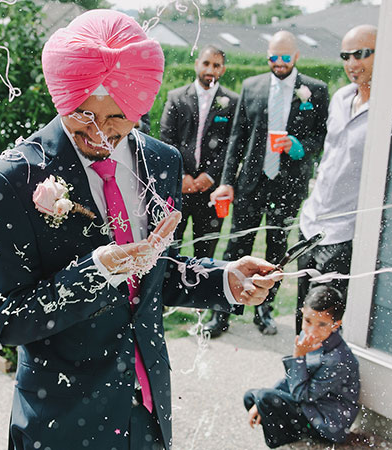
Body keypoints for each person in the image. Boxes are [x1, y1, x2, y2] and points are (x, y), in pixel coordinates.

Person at [0, 10, 280, 450]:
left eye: (117, 118)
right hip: (63, 419)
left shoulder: (161, 162)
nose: (100, 134)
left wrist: (223, 279)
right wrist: (96, 272)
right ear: (63, 98)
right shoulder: (10, 181)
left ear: (139, 106)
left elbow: (152, 273)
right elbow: (10, 320)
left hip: (148, 413)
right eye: (83, 115)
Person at [206, 31, 330, 337]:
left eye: (285, 57)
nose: (278, 63)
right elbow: (237, 138)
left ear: (296, 57)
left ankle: (264, 309)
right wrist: (226, 182)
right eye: (273, 57)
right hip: (251, 183)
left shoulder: (315, 90)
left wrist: (300, 146)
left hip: (288, 185)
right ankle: (222, 312)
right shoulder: (252, 86)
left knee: (276, 251)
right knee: (237, 245)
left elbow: (323, 136)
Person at [295, 25, 377, 335]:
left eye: (362, 54)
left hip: (343, 233)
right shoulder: (341, 97)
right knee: (302, 314)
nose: (353, 63)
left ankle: (322, 383)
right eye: (346, 56)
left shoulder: (386, 109)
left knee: (326, 324)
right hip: (310, 223)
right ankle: (297, 377)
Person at [243, 285, 361, 448]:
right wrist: (260, 402)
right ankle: (290, 435)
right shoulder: (311, 337)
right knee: (252, 397)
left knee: (264, 398)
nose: (312, 330)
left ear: (335, 325)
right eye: (307, 321)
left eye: (322, 324)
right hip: (309, 406)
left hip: (326, 422)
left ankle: (284, 441)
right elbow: (292, 380)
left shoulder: (338, 359)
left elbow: (301, 395)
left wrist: (298, 355)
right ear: (303, 312)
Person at [160, 45, 239, 260]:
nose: (210, 70)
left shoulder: (233, 102)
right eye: (206, 63)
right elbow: (167, 139)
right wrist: (182, 174)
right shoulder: (177, 97)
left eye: (216, 65)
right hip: (180, 189)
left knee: (206, 252)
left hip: (211, 191)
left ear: (223, 70)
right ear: (197, 64)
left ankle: (199, 292)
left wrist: (210, 175)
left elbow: (233, 145)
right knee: (169, 248)